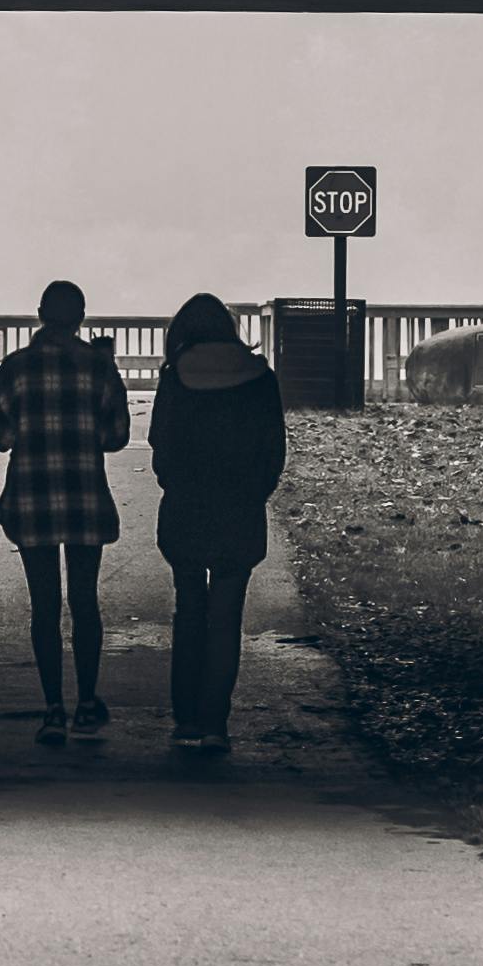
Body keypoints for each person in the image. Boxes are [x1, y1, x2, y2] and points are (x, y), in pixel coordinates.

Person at [0, 276, 129, 746]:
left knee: (44, 607)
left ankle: (52, 709)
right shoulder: (98, 368)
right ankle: (87, 701)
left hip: (33, 500)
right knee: (85, 602)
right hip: (85, 499)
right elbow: (117, 436)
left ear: (40, 315)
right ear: (82, 318)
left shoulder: (17, 368)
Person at [150, 289, 286, 757]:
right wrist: (253, 493)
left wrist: (177, 483)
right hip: (239, 510)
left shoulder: (174, 378)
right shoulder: (260, 377)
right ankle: (215, 724)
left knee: (189, 612)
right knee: (226, 619)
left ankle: (185, 717)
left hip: (187, 508)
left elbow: (161, 448)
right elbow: (274, 451)